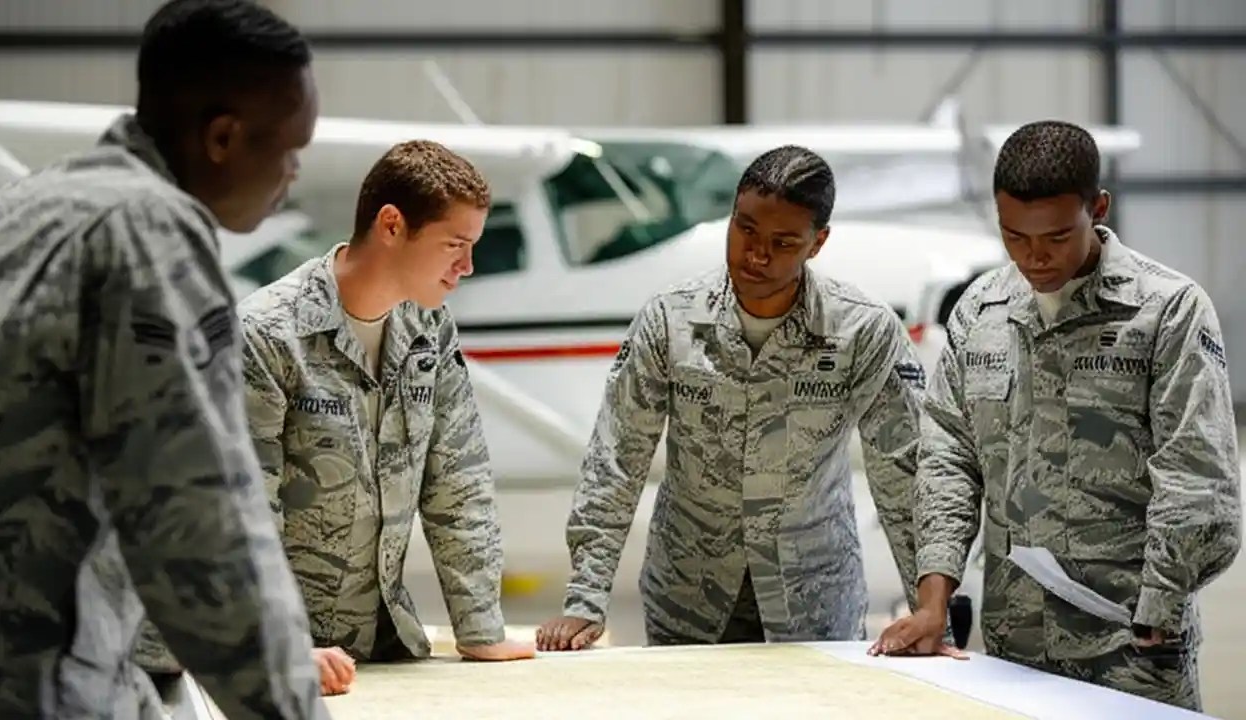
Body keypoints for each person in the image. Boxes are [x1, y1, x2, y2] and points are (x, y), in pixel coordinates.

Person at [0, 0, 328, 718]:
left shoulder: (21, 208)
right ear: (222, 137)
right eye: (290, 149)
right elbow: (199, 526)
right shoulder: (149, 231)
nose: (291, 175)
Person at [872, 119, 1241, 712]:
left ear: (1097, 208)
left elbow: (1197, 476)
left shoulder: (1165, 312)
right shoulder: (982, 311)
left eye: (1055, 237)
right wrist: (933, 598)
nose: (1034, 258)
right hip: (1013, 648)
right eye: (1014, 236)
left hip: (1135, 650)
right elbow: (948, 458)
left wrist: (1157, 611)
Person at [537, 145, 931, 651]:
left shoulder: (863, 331)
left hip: (814, 607)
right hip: (690, 603)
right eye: (745, 229)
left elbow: (906, 474)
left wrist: (930, 610)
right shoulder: (669, 321)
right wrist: (585, 600)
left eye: (783, 241)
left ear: (818, 243)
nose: (757, 254)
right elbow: (616, 458)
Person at [233, 139, 534, 693]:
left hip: (384, 646)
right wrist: (278, 645)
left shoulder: (430, 332)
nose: (467, 267)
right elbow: (243, 510)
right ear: (392, 225)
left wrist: (480, 628)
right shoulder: (266, 334)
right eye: (454, 245)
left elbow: (458, 484)